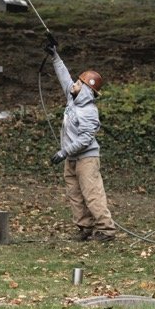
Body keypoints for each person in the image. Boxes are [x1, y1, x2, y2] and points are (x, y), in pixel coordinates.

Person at [45, 34, 117, 242]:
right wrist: (55, 56)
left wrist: (63, 151)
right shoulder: (72, 98)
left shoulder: (89, 112)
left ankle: (106, 229)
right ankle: (84, 227)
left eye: (79, 82)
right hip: (72, 159)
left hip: (86, 159)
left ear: (86, 89)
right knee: (75, 194)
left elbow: (85, 140)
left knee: (92, 193)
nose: (74, 83)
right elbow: (64, 77)